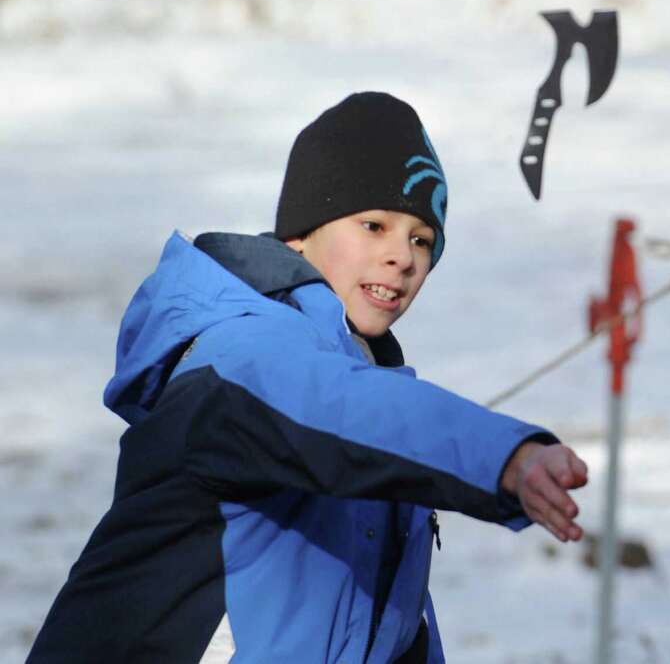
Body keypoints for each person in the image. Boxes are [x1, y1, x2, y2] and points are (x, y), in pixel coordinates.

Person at [27, 92, 589, 664]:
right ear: (301, 234)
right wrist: (505, 457)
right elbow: (345, 403)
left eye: (422, 239)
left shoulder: (372, 398)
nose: (402, 256)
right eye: (374, 225)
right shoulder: (244, 355)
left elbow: (391, 626)